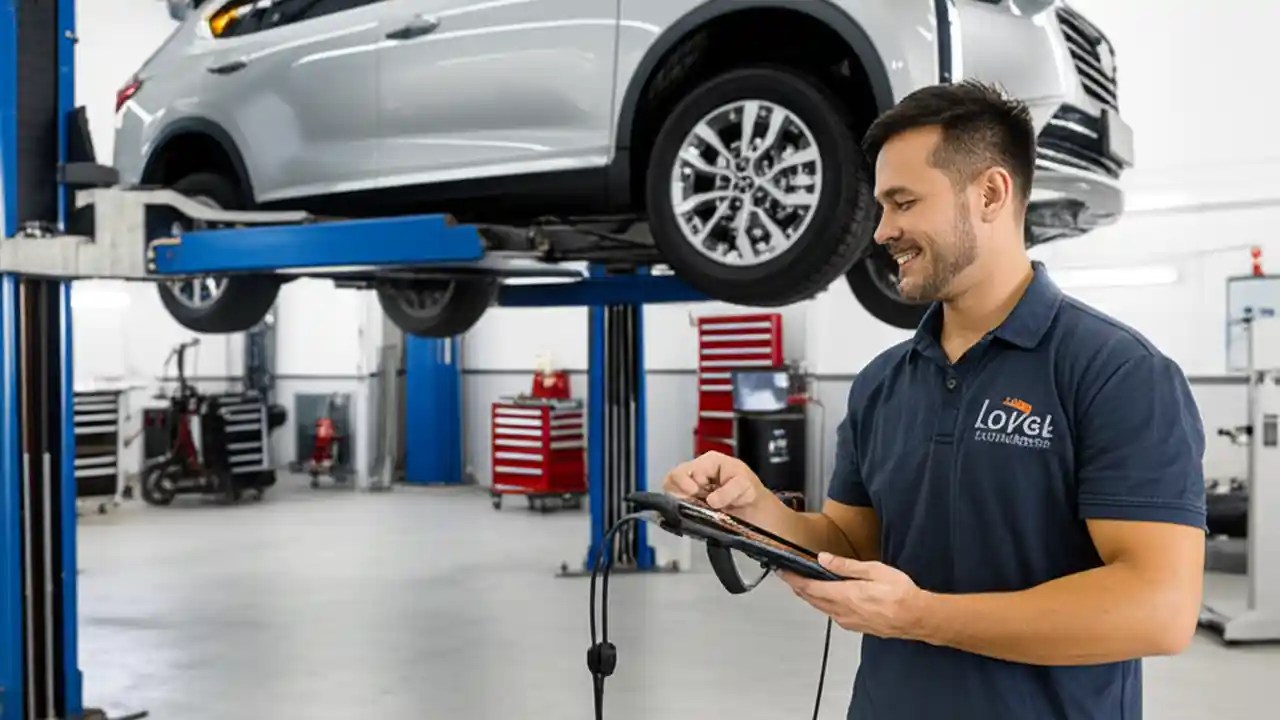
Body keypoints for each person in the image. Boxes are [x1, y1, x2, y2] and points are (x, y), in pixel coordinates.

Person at [662, 80, 1207, 719]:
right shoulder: (883, 383)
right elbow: (850, 543)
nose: (882, 231)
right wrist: (753, 508)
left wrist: (922, 616)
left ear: (990, 194)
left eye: (903, 203)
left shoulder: (1116, 373)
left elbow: (1158, 609)